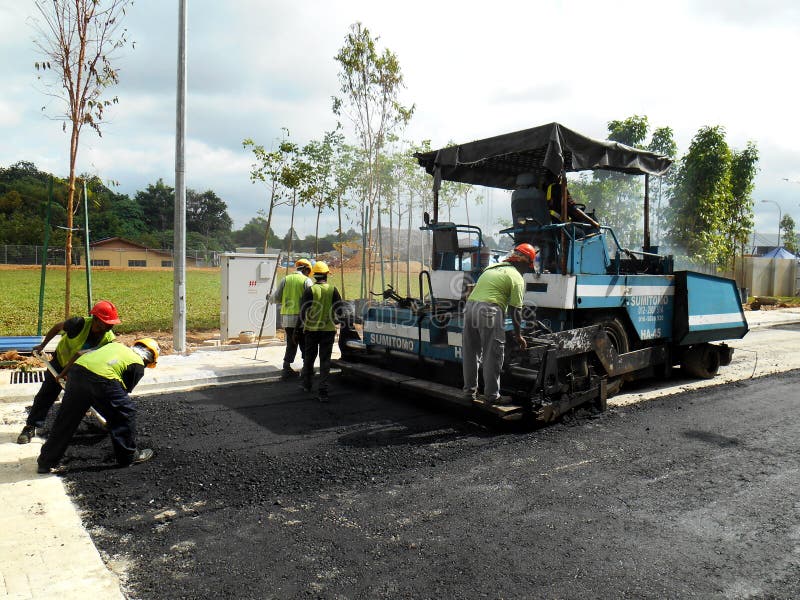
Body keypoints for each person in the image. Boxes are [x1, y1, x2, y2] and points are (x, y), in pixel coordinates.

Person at [37, 338, 160, 473]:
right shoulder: (138, 364)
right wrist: (111, 416)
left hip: (77, 371)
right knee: (125, 412)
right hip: (102, 378)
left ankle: (45, 462)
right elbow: (119, 394)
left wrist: (87, 401)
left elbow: (80, 354)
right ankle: (128, 456)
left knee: (66, 420)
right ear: (149, 360)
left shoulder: (115, 346)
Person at [17, 300, 121, 444]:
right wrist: (42, 346)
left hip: (83, 368)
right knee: (47, 393)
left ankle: (111, 422)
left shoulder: (108, 339)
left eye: (111, 324)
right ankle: (31, 426)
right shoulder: (78, 324)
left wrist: (67, 374)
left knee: (93, 394)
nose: (110, 327)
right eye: (107, 323)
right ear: (96, 319)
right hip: (61, 361)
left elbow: (80, 355)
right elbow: (57, 328)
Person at [461, 243, 535, 405]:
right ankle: (492, 396)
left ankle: (469, 393)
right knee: (492, 354)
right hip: (489, 311)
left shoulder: (491, 268)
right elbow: (516, 311)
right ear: (524, 263)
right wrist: (518, 336)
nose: (526, 271)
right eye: (528, 267)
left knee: (471, 353)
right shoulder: (517, 278)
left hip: (470, 308)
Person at [297, 261, 343, 402]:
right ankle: (323, 391)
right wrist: (337, 319)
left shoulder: (310, 291)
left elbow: (302, 312)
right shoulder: (333, 290)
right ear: (326, 275)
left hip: (311, 331)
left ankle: (307, 384)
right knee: (325, 360)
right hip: (328, 331)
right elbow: (340, 310)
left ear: (314, 275)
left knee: (309, 358)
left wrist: (297, 331)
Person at [271, 258, 313, 378]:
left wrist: (269, 298)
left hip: (287, 319)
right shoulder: (306, 281)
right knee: (304, 343)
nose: (308, 274)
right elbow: (311, 300)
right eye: (308, 272)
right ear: (306, 270)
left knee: (291, 342)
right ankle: (306, 369)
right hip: (302, 319)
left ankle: (286, 367)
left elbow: (276, 298)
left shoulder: (285, 279)